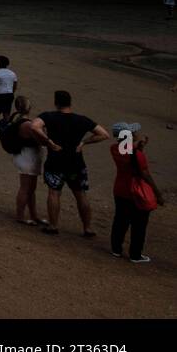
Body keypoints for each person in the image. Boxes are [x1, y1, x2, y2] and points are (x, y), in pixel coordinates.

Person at [32, 90, 111, 236]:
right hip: (76, 162)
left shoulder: (49, 116)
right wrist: (84, 142)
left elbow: (34, 126)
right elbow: (104, 134)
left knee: (54, 193)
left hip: (56, 160)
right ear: (70, 102)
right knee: (81, 194)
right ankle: (87, 228)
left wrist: (48, 141)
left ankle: (53, 225)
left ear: (56, 102)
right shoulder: (81, 120)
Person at [109, 122, 164, 263]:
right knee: (139, 224)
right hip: (135, 192)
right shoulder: (137, 154)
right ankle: (135, 254)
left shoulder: (115, 149)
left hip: (120, 189)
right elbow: (145, 174)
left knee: (120, 220)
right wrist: (157, 193)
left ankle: (116, 249)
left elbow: (129, 158)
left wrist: (139, 148)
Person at [3, 96, 58, 226]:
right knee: (26, 187)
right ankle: (20, 216)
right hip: (28, 156)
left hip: (25, 156)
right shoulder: (28, 124)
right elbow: (41, 140)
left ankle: (33, 215)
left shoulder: (17, 120)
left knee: (30, 188)